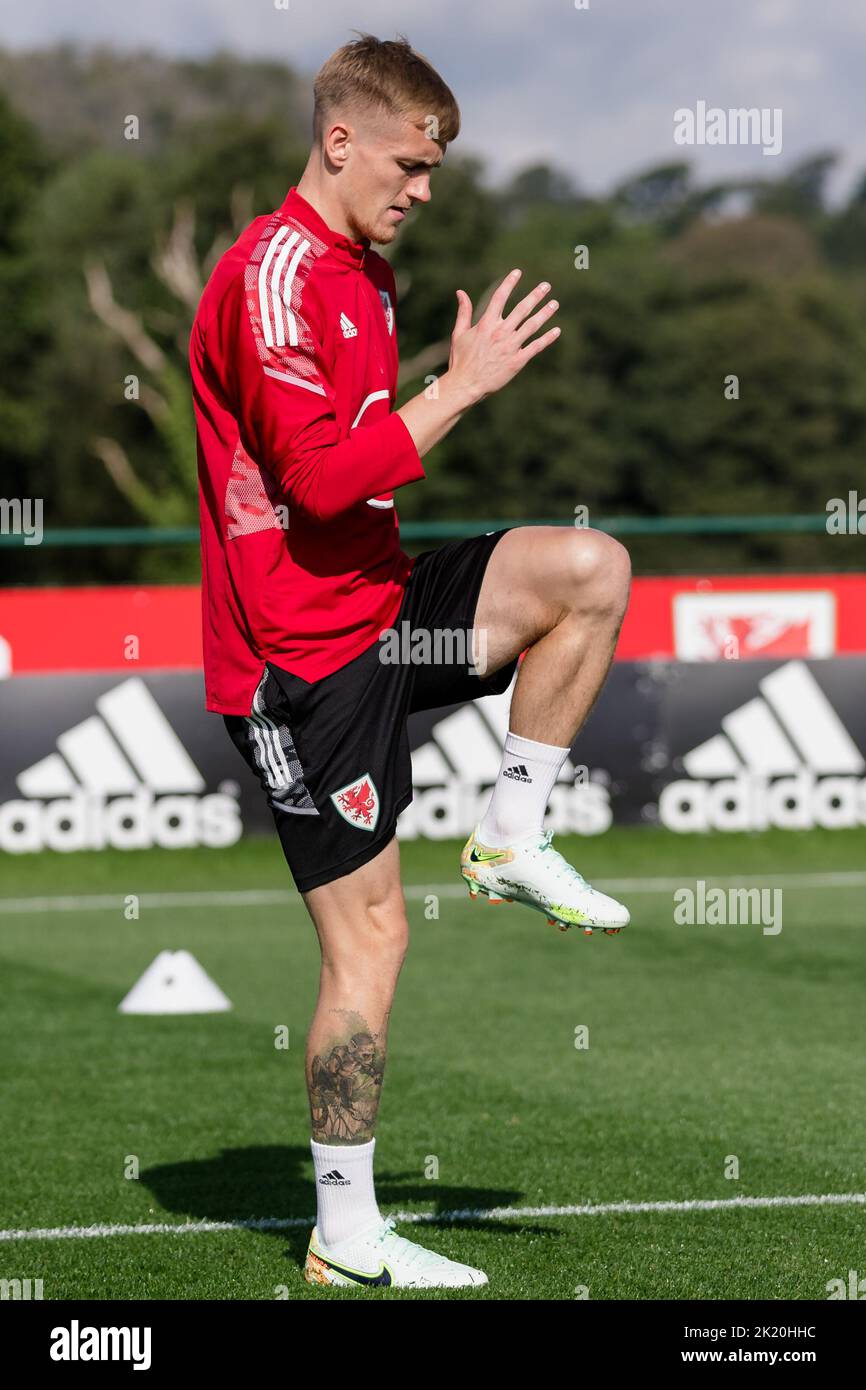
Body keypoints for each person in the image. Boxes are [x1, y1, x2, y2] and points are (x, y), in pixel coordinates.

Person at [189, 31, 631, 1291]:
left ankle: (510, 834)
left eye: (434, 168)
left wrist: (436, 389)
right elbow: (324, 479)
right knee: (369, 945)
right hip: (297, 661)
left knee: (588, 573)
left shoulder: (363, 276)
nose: (423, 188)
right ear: (339, 141)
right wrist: (460, 385)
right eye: (411, 162)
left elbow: (364, 474)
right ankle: (343, 1229)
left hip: (382, 610)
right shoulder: (268, 275)